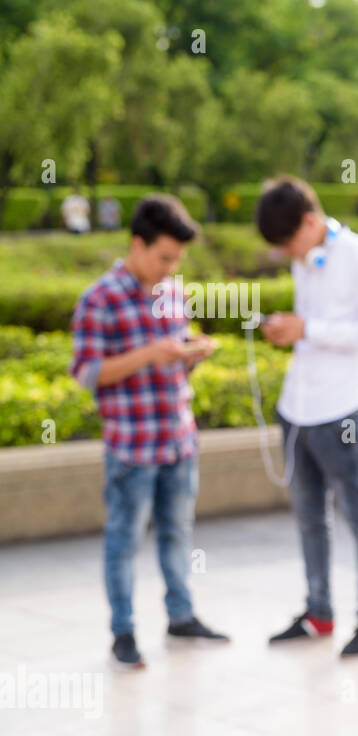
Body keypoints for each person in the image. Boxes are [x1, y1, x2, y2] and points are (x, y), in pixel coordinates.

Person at [68, 194, 225, 669]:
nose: (169, 268)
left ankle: (181, 615)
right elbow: (87, 373)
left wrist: (189, 353)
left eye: (176, 260)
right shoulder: (99, 298)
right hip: (132, 446)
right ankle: (123, 631)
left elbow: (170, 358)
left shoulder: (172, 291)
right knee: (123, 540)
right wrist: (150, 355)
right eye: (163, 257)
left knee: (178, 533)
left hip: (178, 438)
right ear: (137, 244)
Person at [253, 176, 358, 657]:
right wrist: (291, 331)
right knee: (308, 517)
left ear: (311, 222)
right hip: (298, 406)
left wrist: (309, 328)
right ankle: (318, 612)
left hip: (342, 407)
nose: (292, 254)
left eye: (291, 242)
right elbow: (313, 330)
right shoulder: (303, 265)